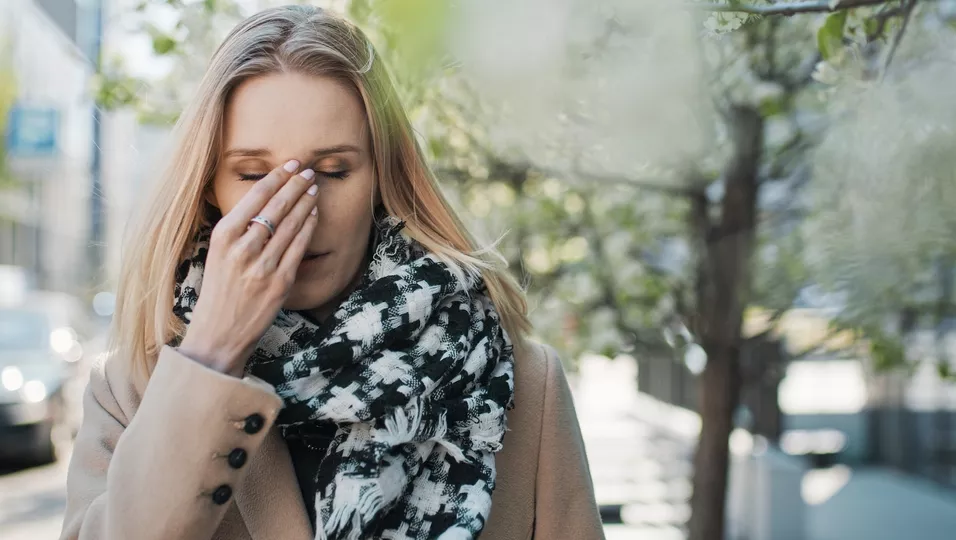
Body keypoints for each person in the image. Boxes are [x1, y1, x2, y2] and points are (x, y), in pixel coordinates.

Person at [61, 5, 603, 540]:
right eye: (253, 175)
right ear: (209, 189)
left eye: (332, 170)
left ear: (383, 179)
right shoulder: (131, 387)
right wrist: (210, 357)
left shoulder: (524, 383)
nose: (295, 210)